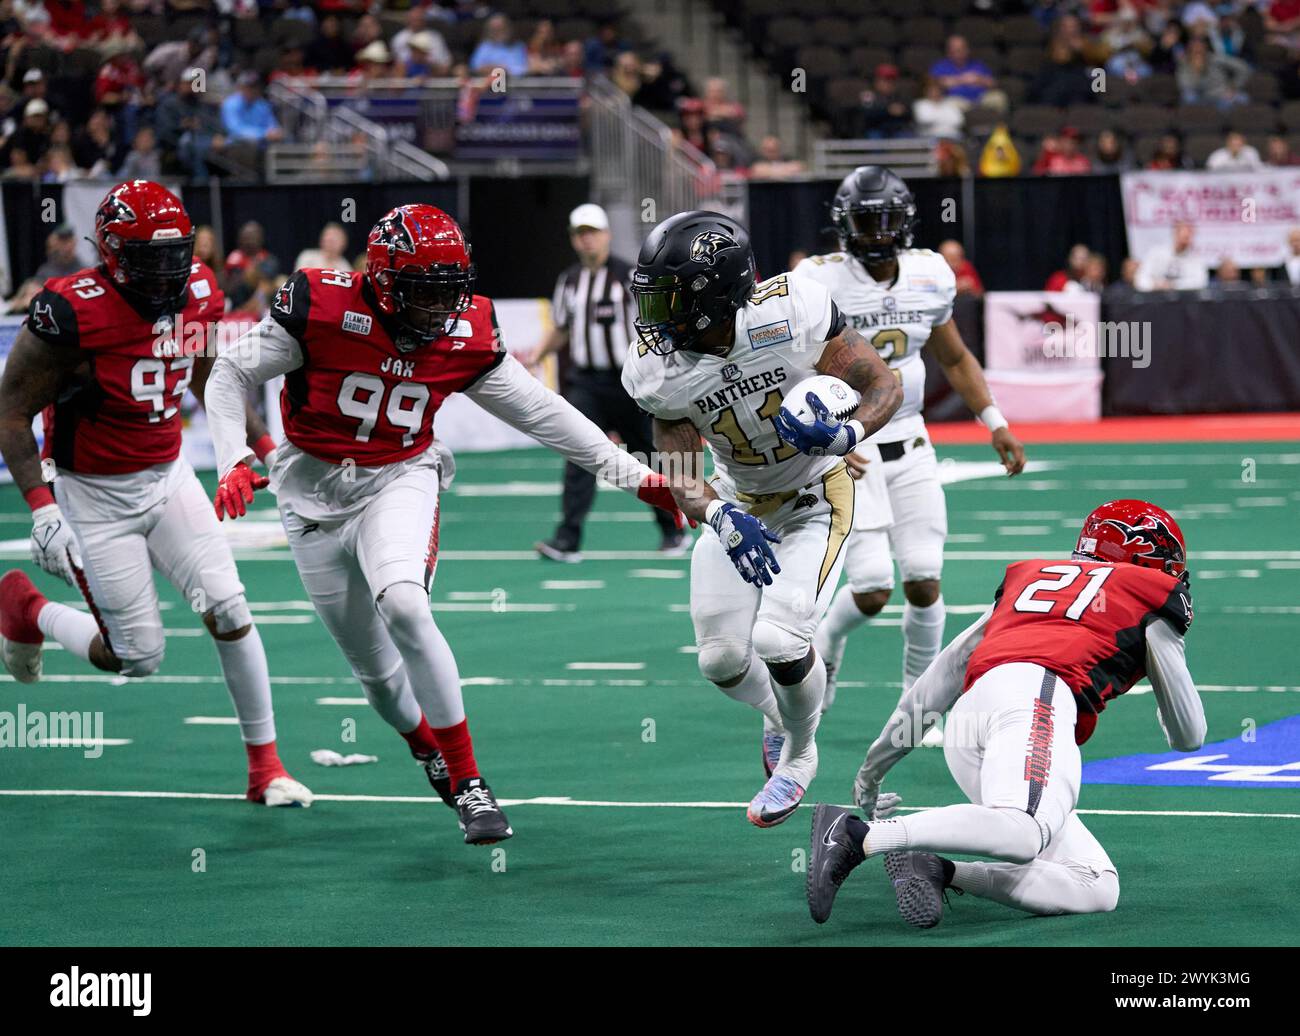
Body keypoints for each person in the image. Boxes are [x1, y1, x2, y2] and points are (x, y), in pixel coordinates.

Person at [202, 204, 683, 846]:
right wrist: (234, 456)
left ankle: (470, 782)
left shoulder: (467, 331)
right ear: (382, 279)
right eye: (423, 293)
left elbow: (545, 414)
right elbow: (231, 369)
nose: (439, 309)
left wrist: (640, 478)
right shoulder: (319, 304)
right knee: (378, 681)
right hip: (310, 491)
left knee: (403, 603)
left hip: (399, 477)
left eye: (448, 292)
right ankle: (426, 751)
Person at [0, 180, 307, 807]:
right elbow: (9, 411)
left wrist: (262, 449)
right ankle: (26, 609)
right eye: (150, 256)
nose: (167, 270)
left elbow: (209, 376)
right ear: (111, 252)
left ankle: (265, 768)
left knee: (229, 607)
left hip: (167, 476)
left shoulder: (196, 290)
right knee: (137, 657)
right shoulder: (72, 309)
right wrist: (42, 506)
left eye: (176, 253)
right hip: (92, 493)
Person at [623, 210, 903, 828]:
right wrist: (718, 515)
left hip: (814, 495)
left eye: (670, 296)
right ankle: (779, 718)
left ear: (714, 297)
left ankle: (801, 756)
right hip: (739, 499)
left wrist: (847, 431)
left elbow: (884, 384)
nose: (654, 313)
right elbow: (682, 474)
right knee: (720, 661)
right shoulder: (657, 369)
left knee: (779, 639)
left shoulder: (790, 310)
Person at [806, 499, 1203, 929]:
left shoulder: (1034, 581)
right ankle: (856, 837)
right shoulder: (1147, 593)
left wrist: (873, 769)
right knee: (1023, 832)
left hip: (971, 720)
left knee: (1096, 884)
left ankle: (938, 871)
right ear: (1146, 558)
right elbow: (1188, 735)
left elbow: (945, 672)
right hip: (1036, 698)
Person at [797, 167, 1025, 722]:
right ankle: (826, 641)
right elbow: (790, 365)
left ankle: (919, 710)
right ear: (843, 224)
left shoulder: (930, 272)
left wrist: (993, 419)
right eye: (865, 221)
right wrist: (824, 435)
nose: (876, 233)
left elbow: (953, 356)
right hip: (851, 448)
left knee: (925, 581)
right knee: (873, 589)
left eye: (885, 221)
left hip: (913, 443)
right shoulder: (817, 279)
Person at [529, 204, 683, 562]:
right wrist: (537, 355)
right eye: (580, 234)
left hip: (629, 383)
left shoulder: (629, 277)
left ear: (606, 235)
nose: (586, 240)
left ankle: (672, 529)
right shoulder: (569, 281)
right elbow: (562, 328)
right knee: (580, 455)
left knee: (647, 453)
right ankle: (567, 539)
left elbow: (655, 325)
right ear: (572, 239)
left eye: (592, 232)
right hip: (586, 383)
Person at [1135, 220, 1209, 290]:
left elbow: (1201, 282)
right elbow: (1140, 280)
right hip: (1155, 297)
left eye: (1188, 237)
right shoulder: (1156, 253)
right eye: (1183, 237)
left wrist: (1173, 285)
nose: (1185, 241)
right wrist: (1155, 285)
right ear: (1175, 233)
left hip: (1183, 299)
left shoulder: (1196, 259)